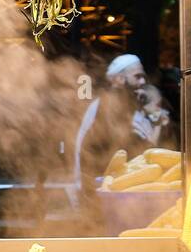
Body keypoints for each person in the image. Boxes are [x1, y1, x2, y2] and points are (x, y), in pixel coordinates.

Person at [74, 53, 172, 189]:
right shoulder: (110, 104)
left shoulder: (124, 103)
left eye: (143, 77)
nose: (143, 82)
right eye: (137, 77)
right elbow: (137, 147)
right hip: (99, 185)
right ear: (119, 79)